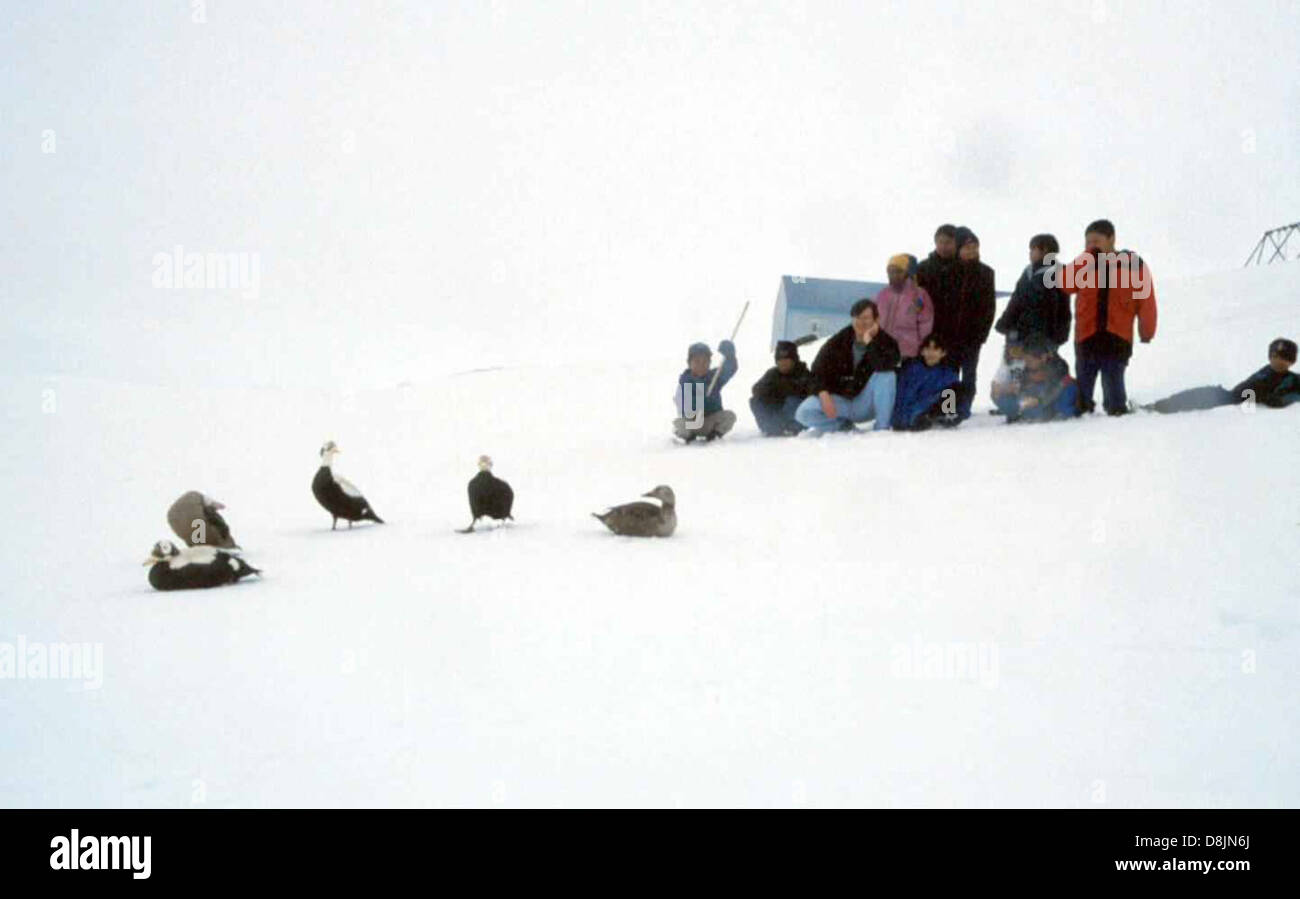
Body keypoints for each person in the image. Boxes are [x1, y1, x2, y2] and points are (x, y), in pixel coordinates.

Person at [1057, 219, 1158, 415]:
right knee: (1082, 394)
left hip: (1117, 338)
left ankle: (1116, 417)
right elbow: (1065, 284)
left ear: (1112, 239)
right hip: (1087, 337)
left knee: (1115, 394)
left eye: (1096, 241)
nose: (1092, 246)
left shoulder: (1133, 264)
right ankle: (1082, 414)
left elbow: (1146, 301)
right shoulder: (1084, 265)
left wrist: (1147, 331)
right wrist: (1086, 257)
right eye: (1088, 243)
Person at [795, 299, 900, 433]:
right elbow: (817, 370)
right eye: (857, 318)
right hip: (841, 402)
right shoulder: (839, 340)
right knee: (803, 412)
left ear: (877, 319)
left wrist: (870, 343)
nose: (861, 322)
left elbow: (884, 365)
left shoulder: (887, 342)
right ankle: (841, 426)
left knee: (887, 375)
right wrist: (822, 393)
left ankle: (881, 429)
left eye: (866, 318)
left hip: (866, 403)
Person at [1144, 338, 1299, 413]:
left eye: (1284, 358)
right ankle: (1159, 406)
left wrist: (1274, 399)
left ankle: (1160, 407)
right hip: (1232, 396)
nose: (1278, 361)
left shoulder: (1293, 379)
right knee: (1205, 393)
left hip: (1238, 403)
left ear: (1291, 361)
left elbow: (1289, 398)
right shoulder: (1267, 369)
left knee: (1208, 396)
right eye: (1275, 356)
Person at [945, 227, 996, 420]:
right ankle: (948, 408)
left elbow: (989, 308)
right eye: (966, 247)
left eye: (974, 246)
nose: (971, 250)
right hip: (948, 336)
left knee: (969, 374)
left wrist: (981, 335)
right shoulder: (948, 272)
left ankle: (964, 408)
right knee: (948, 375)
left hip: (972, 336)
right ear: (958, 248)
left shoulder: (986, 273)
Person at [995, 233, 1071, 348]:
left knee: (1041, 366)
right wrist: (1005, 322)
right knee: (1013, 365)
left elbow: (1063, 307)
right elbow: (1016, 300)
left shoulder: (1060, 272)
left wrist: (1060, 335)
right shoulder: (1028, 272)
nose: (1030, 253)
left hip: (1045, 336)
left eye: (1033, 249)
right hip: (1019, 332)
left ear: (1045, 250)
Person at [992, 334, 1079, 423]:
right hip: (1038, 397)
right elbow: (1022, 385)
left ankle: (1060, 413)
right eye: (1026, 360)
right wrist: (1011, 391)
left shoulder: (1058, 367)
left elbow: (1056, 388)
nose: (1027, 363)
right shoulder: (1026, 368)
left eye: (1030, 361)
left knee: (1066, 396)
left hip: (1055, 395)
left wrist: (1039, 400)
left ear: (1043, 358)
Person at [891, 333, 960, 431]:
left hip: (935, 408)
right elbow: (903, 397)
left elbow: (955, 394)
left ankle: (945, 418)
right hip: (915, 410)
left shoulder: (948, 374)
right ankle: (919, 419)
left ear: (943, 353)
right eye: (928, 349)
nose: (931, 353)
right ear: (922, 351)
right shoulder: (912, 370)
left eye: (935, 349)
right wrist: (902, 420)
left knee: (954, 390)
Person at [673, 340, 737, 442]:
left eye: (705, 362)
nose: (701, 365)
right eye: (697, 361)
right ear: (689, 363)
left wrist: (730, 356)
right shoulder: (685, 381)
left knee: (730, 416)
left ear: (710, 363)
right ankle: (688, 437)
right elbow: (681, 405)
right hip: (693, 422)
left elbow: (729, 369)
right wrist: (700, 397)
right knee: (679, 423)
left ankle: (714, 435)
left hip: (710, 422)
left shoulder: (714, 378)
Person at [749, 340, 816, 436]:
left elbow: (809, 392)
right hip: (778, 414)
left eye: (786, 359)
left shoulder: (803, 373)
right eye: (780, 360)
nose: (783, 363)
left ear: (794, 360)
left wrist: (785, 389)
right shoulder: (772, 373)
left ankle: (791, 428)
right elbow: (756, 389)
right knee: (755, 400)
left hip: (797, 419)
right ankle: (771, 428)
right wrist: (772, 392)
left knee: (792, 400)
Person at [876, 253, 934, 360]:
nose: (894, 274)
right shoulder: (882, 295)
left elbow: (925, 322)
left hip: (908, 351)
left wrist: (921, 345)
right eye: (890, 271)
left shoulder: (919, 295)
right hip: (884, 349)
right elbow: (875, 320)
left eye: (898, 271)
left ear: (906, 272)